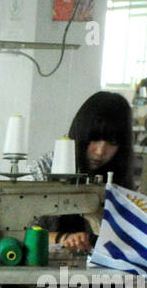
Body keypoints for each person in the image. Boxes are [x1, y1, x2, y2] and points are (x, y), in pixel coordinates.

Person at [45, 91, 133, 253]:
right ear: (81, 133)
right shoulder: (44, 170)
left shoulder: (119, 182)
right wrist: (62, 238)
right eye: (95, 139)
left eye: (112, 143)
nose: (100, 151)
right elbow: (23, 233)